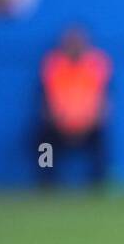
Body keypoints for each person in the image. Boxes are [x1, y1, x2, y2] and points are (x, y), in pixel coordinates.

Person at [34, 26, 112, 187]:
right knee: (43, 141)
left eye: (79, 41)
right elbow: (45, 102)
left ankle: (100, 181)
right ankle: (46, 181)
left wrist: (90, 121)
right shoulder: (53, 65)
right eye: (71, 42)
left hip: (89, 125)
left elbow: (105, 101)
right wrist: (57, 121)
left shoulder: (96, 64)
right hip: (57, 126)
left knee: (102, 137)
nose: (75, 45)